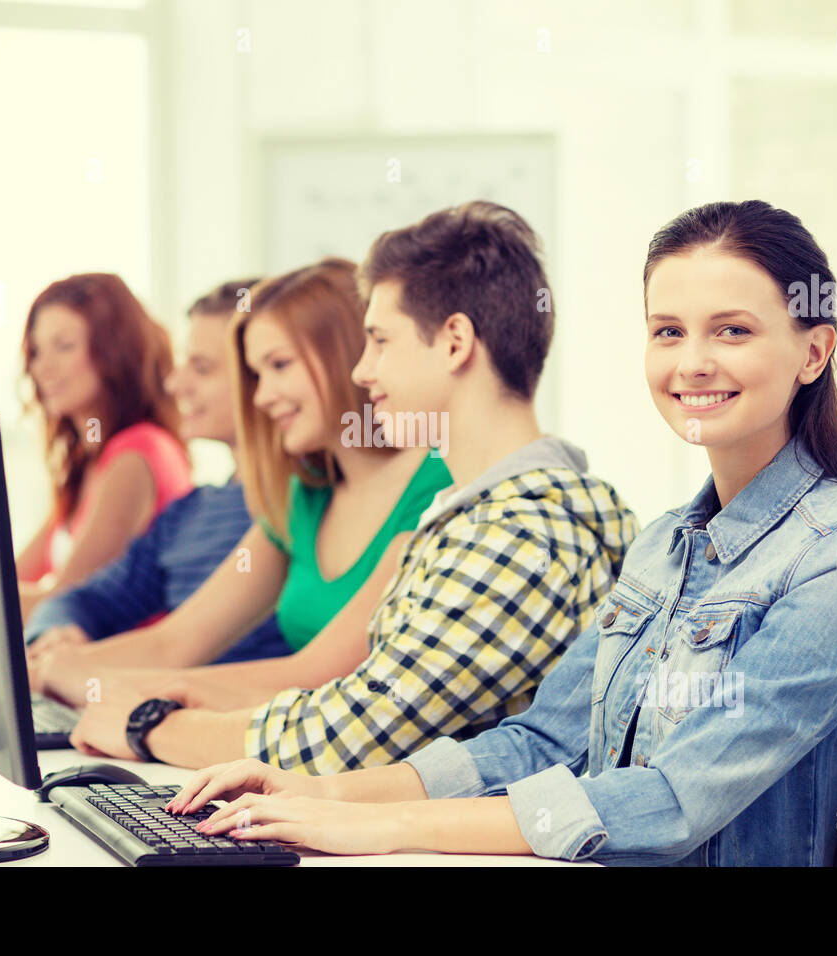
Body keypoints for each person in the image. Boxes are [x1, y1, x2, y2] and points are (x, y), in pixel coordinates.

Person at [165, 199, 837, 867]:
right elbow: (540, 741)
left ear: (815, 350)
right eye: (668, 331)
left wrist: (371, 823)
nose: (693, 362)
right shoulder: (665, 544)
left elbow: (668, 802)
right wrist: (320, 793)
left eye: (731, 331)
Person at [62, 201, 638, 774]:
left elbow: (349, 733)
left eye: (381, 341)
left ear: (455, 343)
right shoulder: (466, 515)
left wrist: (152, 726)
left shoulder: (521, 533)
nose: (363, 372)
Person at [30, 258, 454, 700]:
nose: (264, 397)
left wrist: (93, 683)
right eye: (255, 374)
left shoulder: (434, 487)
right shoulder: (304, 496)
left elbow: (315, 673)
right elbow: (174, 642)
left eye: (280, 365)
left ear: (344, 352)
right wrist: (50, 667)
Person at [0, 272, 192, 696]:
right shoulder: (89, 463)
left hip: (110, 685)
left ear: (114, 353)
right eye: (36, 349)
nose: (42, 367)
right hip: (64, 673)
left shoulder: (137, 456)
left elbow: (62, 600)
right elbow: (7, 581)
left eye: (64, 346)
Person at [20, 278, 289, 667]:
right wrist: (60, 638)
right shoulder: (189, 513)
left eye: (202, 367)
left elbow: (175, 650)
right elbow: (76, 600)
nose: (175, 382)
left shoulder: (300, 508)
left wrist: (70, 668)